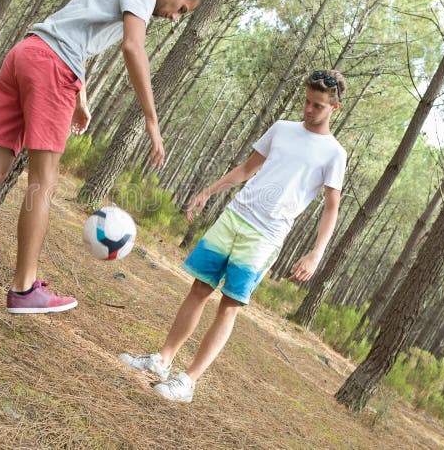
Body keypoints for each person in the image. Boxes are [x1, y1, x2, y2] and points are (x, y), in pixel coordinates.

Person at [0, 0, 203, 313]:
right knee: (43, 183)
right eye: (180, 9)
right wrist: (151, 120)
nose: (173, 17)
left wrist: (79, 96)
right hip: (51, 68)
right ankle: (24, 289)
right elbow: (132, 47)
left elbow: (72, 29)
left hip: (26, 54)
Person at [120, 70, 347, 402]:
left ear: (334, 108)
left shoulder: (334, 153)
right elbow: (246, 168)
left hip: (266, 235)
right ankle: (162, 360)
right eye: (307, 102)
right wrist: (209, 192)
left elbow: (331, 207)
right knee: (199, 288)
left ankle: (188, 381)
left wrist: (316, 253)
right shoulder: (282, 129)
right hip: (235, 216)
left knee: (229, 305)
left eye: (318, 106)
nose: (309, 110)